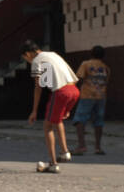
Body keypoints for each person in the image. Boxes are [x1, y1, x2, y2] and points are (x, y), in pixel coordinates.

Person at [21, 39, 79, 174]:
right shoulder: (53, 55)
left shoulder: (36, 61)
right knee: (56, 120)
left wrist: (34, 111)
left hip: (61, 92)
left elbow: (38, 88)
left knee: (47, 126)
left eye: (25, 58)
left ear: (28, 54)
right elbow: (67, 78)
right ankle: (64, 152)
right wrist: (68, 108)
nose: (26, 60)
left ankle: (53, 163)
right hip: (74, 91)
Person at [73, 45, 110, 155]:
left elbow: (78, 77)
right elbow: (106, 82)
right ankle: (98, 147)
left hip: (87, 96)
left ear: (91, 53)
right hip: (101, 97)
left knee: (80, 120)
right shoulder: (106, 68)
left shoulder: (86, 64)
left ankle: (81, 146)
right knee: (98, 122)